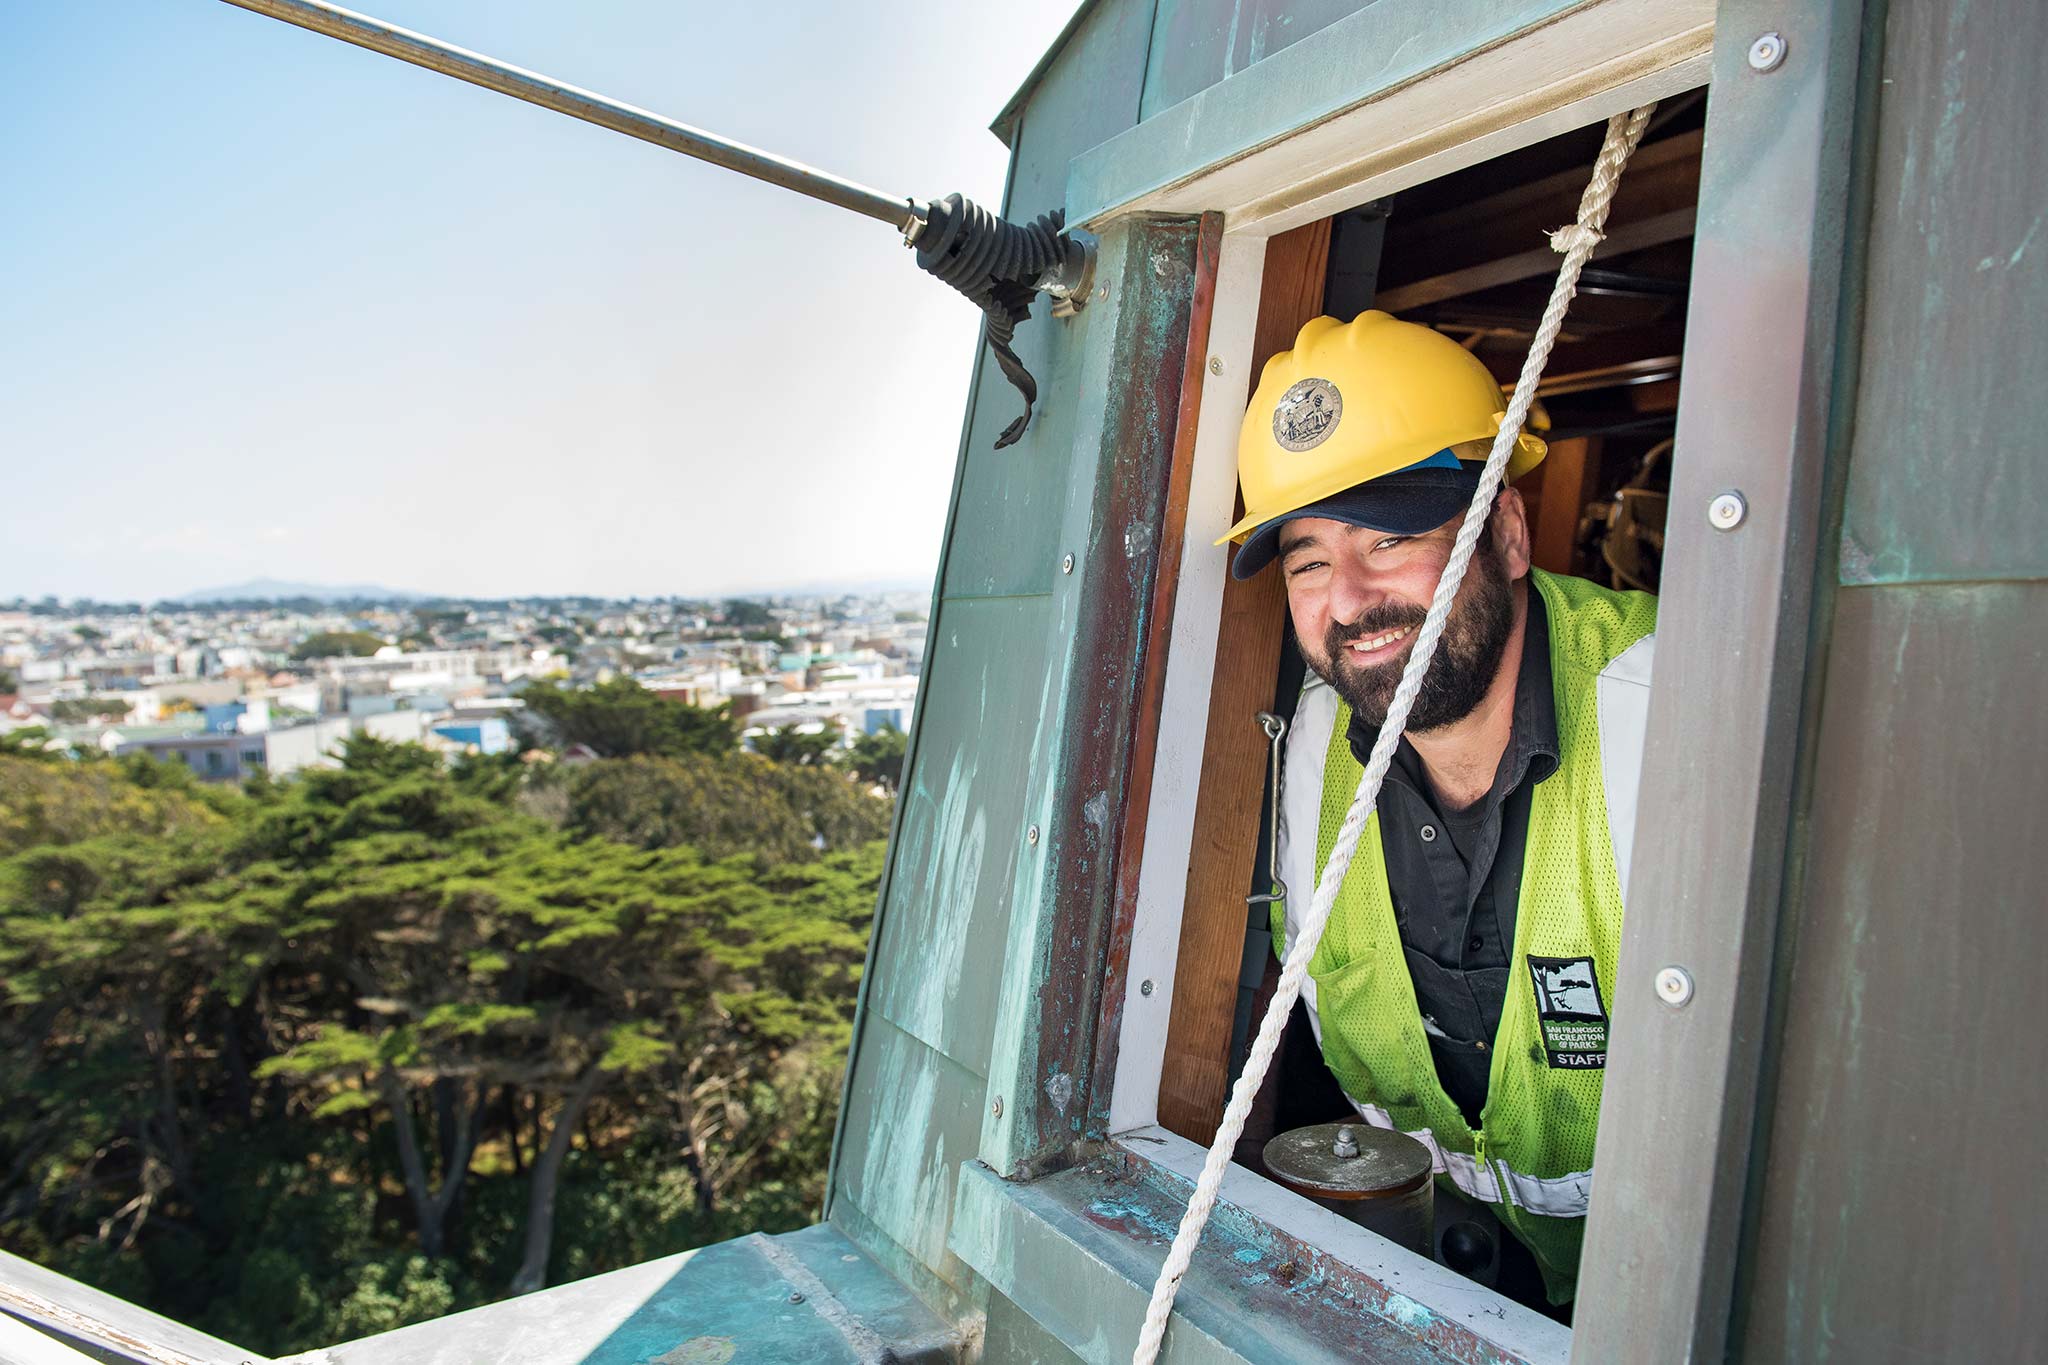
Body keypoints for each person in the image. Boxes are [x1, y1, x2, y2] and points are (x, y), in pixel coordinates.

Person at [1221, 310, 1657, 1311]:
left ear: (1504, 532)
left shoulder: (1676, 717)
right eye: (1307, 560)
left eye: (1391, 535)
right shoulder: (1306, 756)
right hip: (1439, 1277)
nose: (1351, 598)